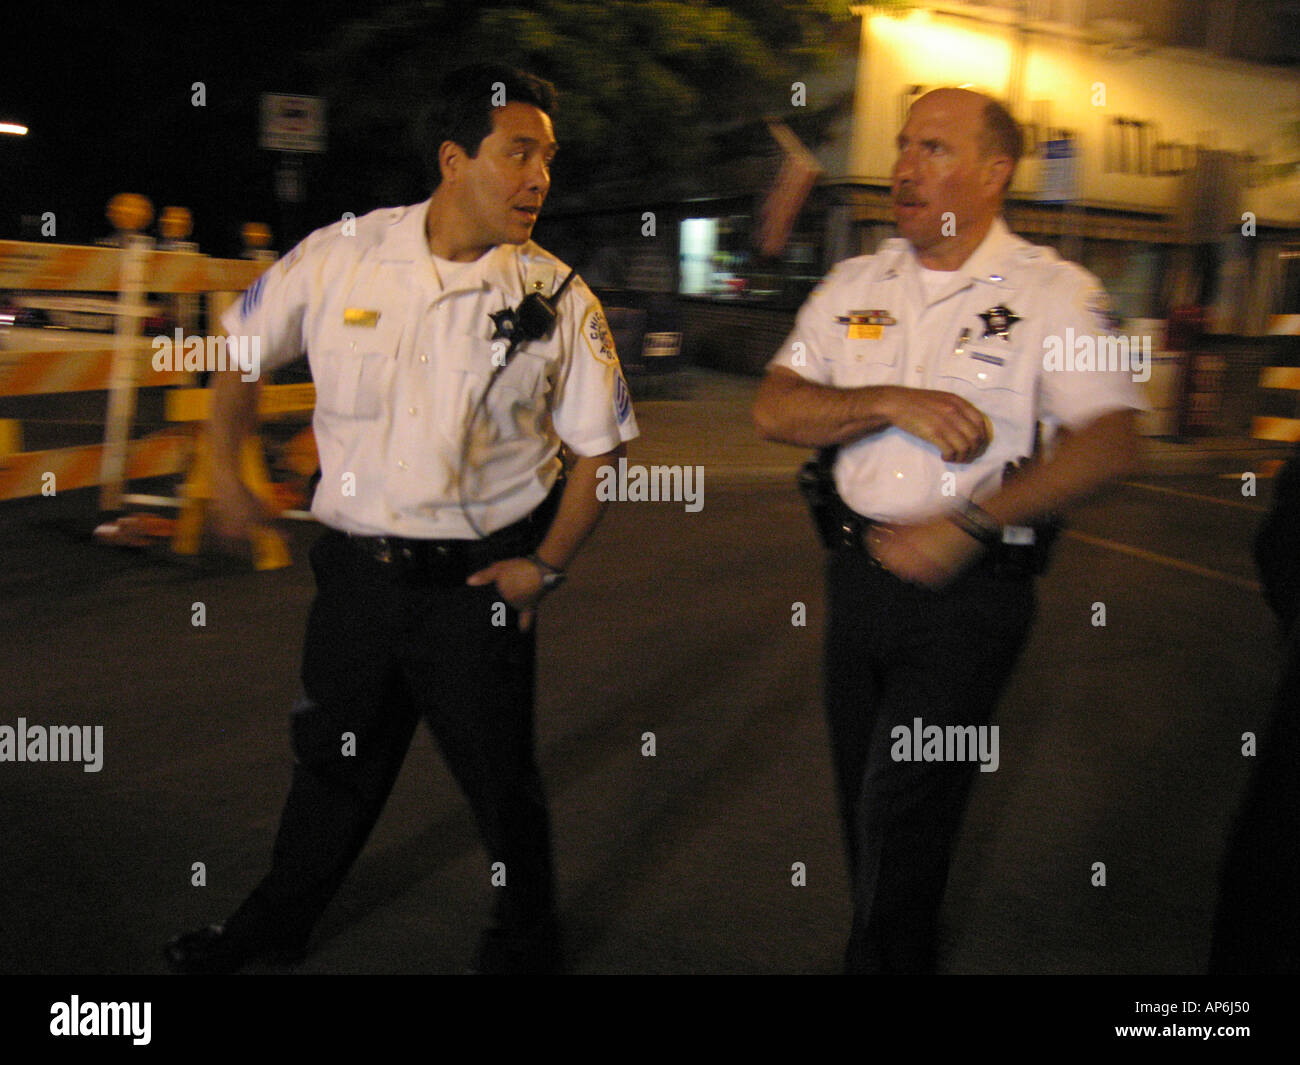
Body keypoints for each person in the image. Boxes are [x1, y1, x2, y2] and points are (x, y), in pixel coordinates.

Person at [164, 63, 638, 975]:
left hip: (479, 587)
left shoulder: (561, 299)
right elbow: (234, 345)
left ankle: (526, 945)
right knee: (331, 768)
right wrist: (226, 472)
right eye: (519, 152)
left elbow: (601, 450)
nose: (540, 176)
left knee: (502, 785)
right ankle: (272, 930)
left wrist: (545, 567)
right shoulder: (339, 254)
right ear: (455, 160)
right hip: (355, 580)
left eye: (548, 157)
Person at [753, 87, 1143, 974]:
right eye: (901, 147)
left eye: (933, 148)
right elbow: (774, 408)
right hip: (857, 583)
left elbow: (1114, 440)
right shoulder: (857, 283)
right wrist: (889, 399)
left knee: (904, 805)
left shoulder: (1056, 293)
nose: (903, 168)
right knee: (871, 816)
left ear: (995, 172)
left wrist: (969, 522)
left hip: (970, 601)